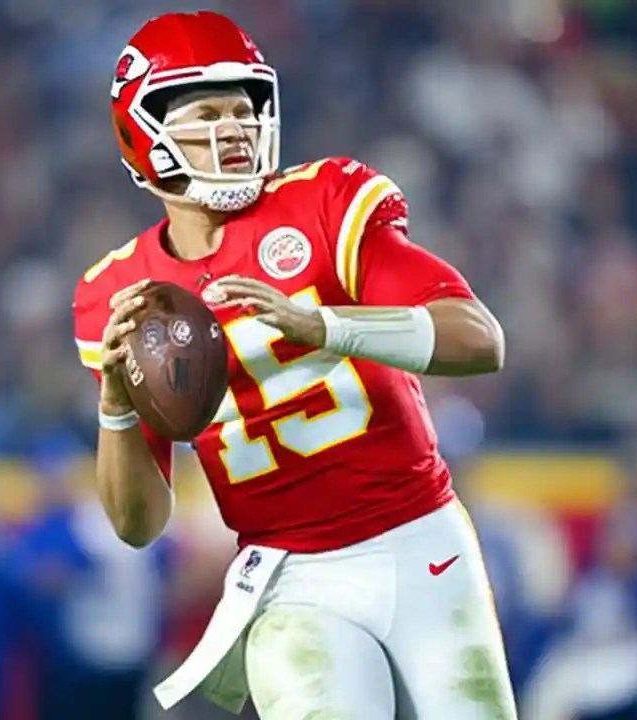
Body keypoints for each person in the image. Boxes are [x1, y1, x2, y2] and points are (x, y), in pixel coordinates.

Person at [70, 10, 515, 719]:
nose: (237, 129)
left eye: (245, 109)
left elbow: (479, 339)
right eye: (208, 111)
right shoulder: (115, 294)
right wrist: (118, 403)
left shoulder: (323, 205)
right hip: (291, 578)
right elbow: (138, 524)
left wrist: (327, 326)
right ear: (143, 132)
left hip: (422, 544)